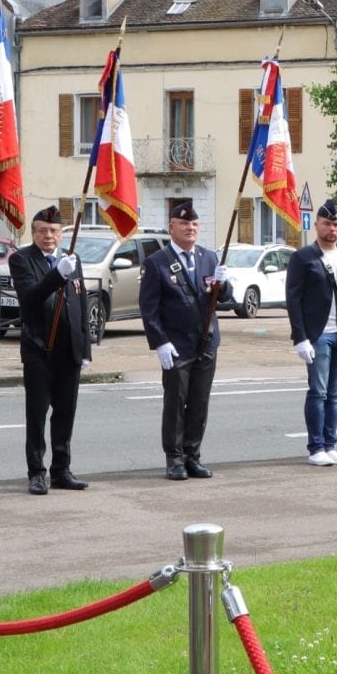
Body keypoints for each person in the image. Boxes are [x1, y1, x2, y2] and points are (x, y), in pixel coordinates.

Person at [140, 201, 230, 480]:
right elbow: (149, 308)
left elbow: (224, 301)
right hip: (176, 344)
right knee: (176, 404)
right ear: (171, 227)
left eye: (194, 224)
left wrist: (224, 285)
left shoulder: (209, 257)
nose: (190, 228)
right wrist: (160, 342)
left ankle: (193, 455)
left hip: (206, 343)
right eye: (183, 223)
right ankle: (174, 459)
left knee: (199, 403)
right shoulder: (158, 262)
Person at [10, 205, 91, 495]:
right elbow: (31, 297)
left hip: (68, 350)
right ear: (33, 232)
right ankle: (36, 472)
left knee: (65, 413)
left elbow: (80, 302)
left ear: (61, 233)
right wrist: (57, 274)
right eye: (42, 230)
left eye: (54, 231)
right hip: (39, 349)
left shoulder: (72, 259)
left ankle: (61, 470)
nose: (49, 236)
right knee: (37, 413)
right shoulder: (21, 260)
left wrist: (85, 348)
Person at [286, 199, 337, 466]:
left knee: (334, 395)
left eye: (336, 224)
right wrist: (300, 337)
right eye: (326, 224)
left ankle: (331, 444)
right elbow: (293, 299)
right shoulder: (303, 257)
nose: (331, 229)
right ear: (317, 225)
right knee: (318, 392)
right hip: (319, 334)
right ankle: (316, 448)